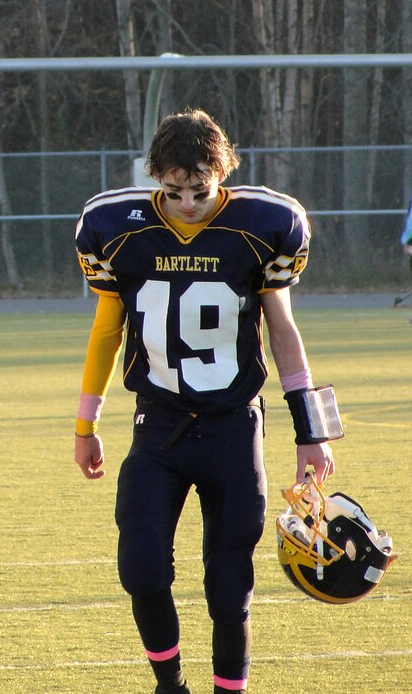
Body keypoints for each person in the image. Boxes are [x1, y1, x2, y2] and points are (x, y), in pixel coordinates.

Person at [72, 109, 340, 694]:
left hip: (232, 427)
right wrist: (84, 421)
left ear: (224, 173)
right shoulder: (115, 226)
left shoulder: (266, 223)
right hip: (158, 426)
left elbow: (284, 331)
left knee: (228, 586)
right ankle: (169, 685)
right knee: (140, 568)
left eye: (201, 190)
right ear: (155, 179)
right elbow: (105, 331)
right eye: (174, 191)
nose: (189, 203)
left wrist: (312, 431)